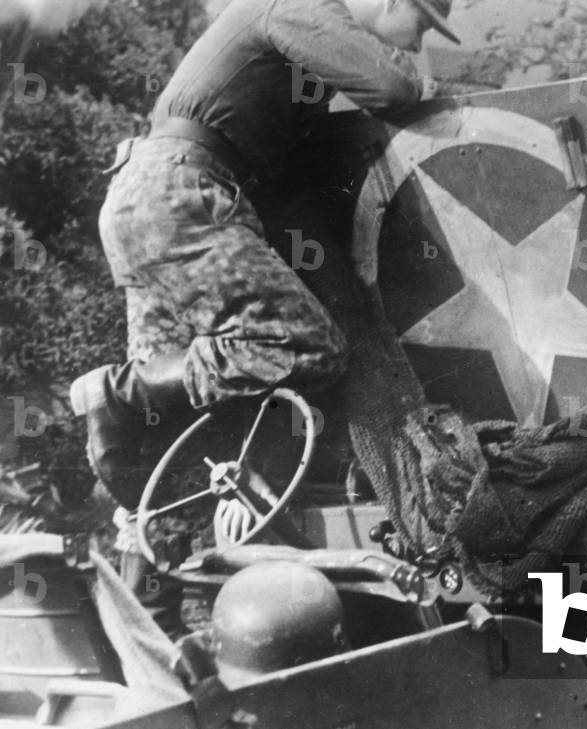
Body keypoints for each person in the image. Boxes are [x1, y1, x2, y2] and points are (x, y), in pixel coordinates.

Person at [70, 0, 460, 509]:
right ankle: (117, 393)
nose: (415, 43)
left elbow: (285, 195)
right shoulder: (299, 5)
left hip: (148, 198)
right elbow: (393, 87)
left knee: (176, 422)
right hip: (179, 193)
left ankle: (170, 510)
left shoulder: (299, 67)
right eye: (421, 25)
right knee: (306, 345)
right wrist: (427, 87)